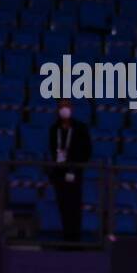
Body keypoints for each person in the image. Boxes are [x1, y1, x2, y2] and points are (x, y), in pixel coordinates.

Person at [47, 100, 92, 242]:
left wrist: (76, 167)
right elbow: (53, 150)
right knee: (63, 206)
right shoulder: (54, 129)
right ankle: (66, 238)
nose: (64, 109)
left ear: (71, 109)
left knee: (75, 206)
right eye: (61, 107)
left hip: (75, 173)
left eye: (66, 106)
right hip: (59, 173)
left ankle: (75, 240)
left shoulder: (80, 128)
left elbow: (87, 150)